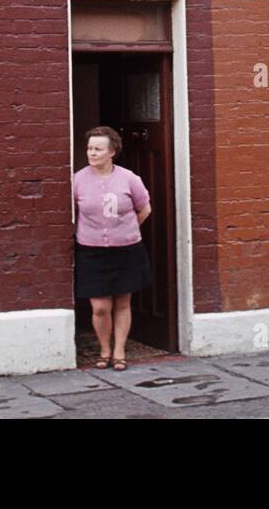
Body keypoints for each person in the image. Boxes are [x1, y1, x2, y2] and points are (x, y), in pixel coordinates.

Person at [72, 125, 151, 371]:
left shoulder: (129, 179)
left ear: (112, 152)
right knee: (100, 306)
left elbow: (145, 209)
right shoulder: (78, 179)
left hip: (126, 250)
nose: (92, 153)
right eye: (89, 148)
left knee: (123, 302)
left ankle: (118, 352)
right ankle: (104, 348)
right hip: (92, 251)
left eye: (98, 149)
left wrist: (125, 229)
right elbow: (72, 212)